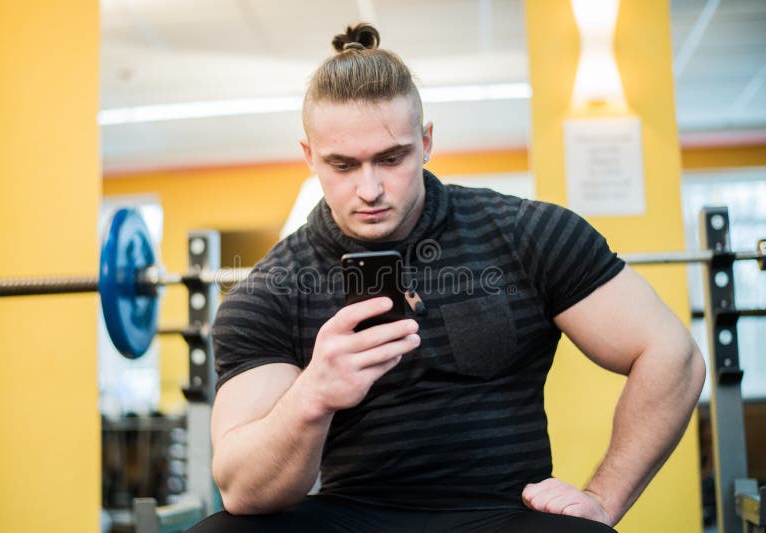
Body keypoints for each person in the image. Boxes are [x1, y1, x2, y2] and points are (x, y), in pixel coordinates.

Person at [188, 23, 705, 533]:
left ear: (427, 141)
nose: (370, 188)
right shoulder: (269, 291)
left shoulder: (527, 233)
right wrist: (313, 395)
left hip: (504, 511)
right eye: (342, 165)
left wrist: (602, 500)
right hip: (349, 514)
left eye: (391, 158)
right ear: (309, 157)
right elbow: (241, 490)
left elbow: (672, 356)